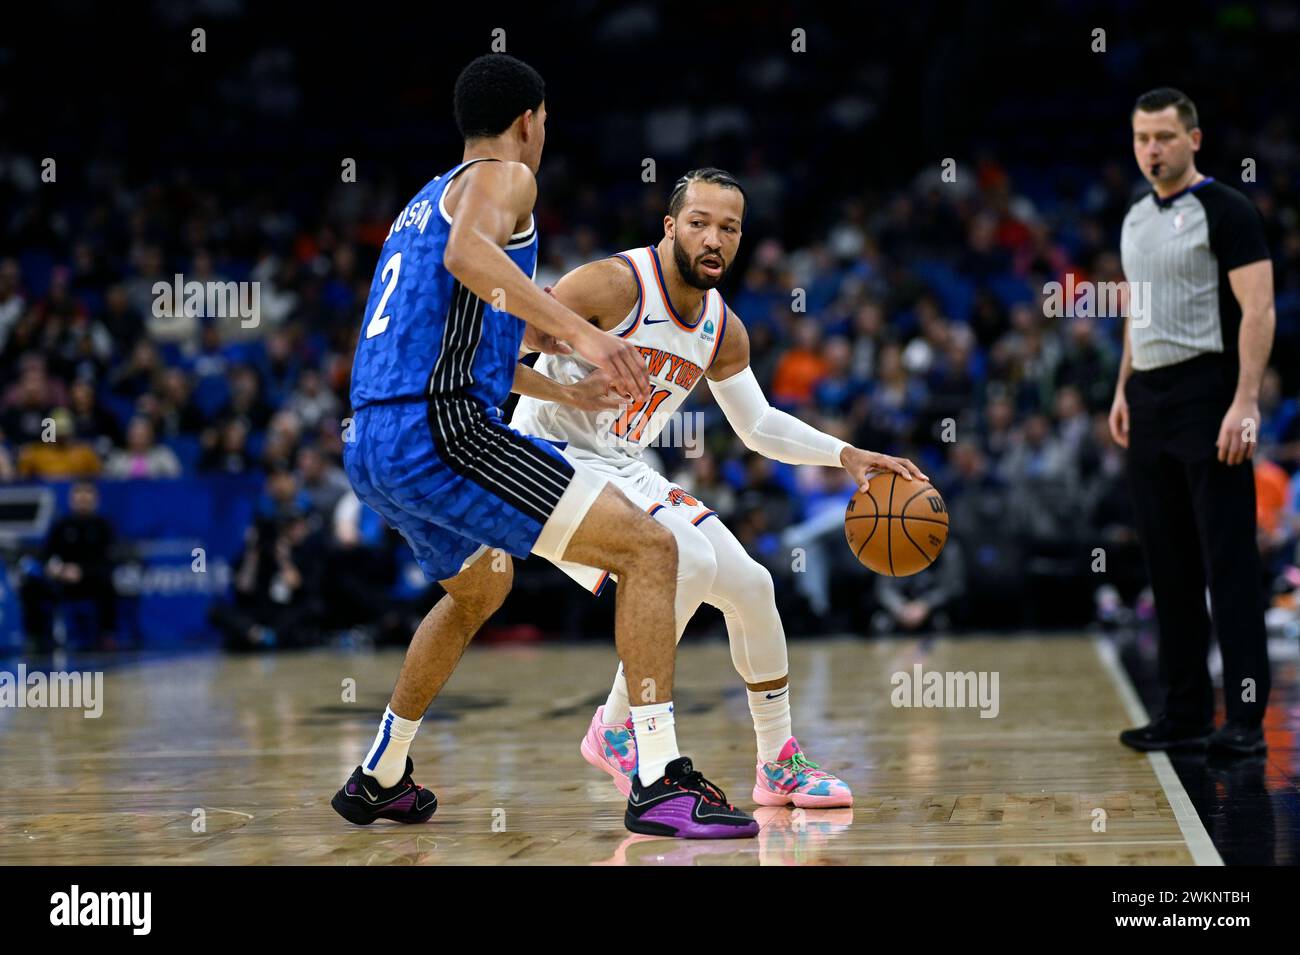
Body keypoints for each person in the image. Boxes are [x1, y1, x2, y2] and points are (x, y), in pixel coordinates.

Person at [330, 56, 757, 838]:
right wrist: (586, 338)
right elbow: (469, 257)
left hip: (373, 441)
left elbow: (455, 336)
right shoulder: (504, 178)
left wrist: (564, 390)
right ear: (529, 119)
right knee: (650, 549)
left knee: (482, 588)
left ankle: (381, 773)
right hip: (444, 431)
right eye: (546, 121)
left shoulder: (418, 204)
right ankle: (659, 779)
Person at [511, 168, 926, 807]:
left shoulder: (723, 330)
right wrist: (566, 391)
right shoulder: (611, 284)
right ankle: (624, 730)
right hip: (543, 458)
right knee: (686, 559)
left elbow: (756, 425)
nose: (714, 238)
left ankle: (777, 765)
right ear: (671, 226)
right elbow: (494, 360)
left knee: (753, 586)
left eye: (728, 228)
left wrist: (846, 454)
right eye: (700, 223)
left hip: (619, 463)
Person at [1109, 88, 1275, 756]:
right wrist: (1123, 387)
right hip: (1147, 395)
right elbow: (1135, 310)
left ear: (1194, 139)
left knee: (1227, 560)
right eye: (1143, 136)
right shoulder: (1133, 218)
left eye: (1165, 136)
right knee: (1168, 562)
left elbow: (1258, 310)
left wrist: (1245, 400)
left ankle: (1244, 720)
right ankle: (1181, 712)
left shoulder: (1228, 210)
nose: (1153, 148)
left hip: (1209, 388)